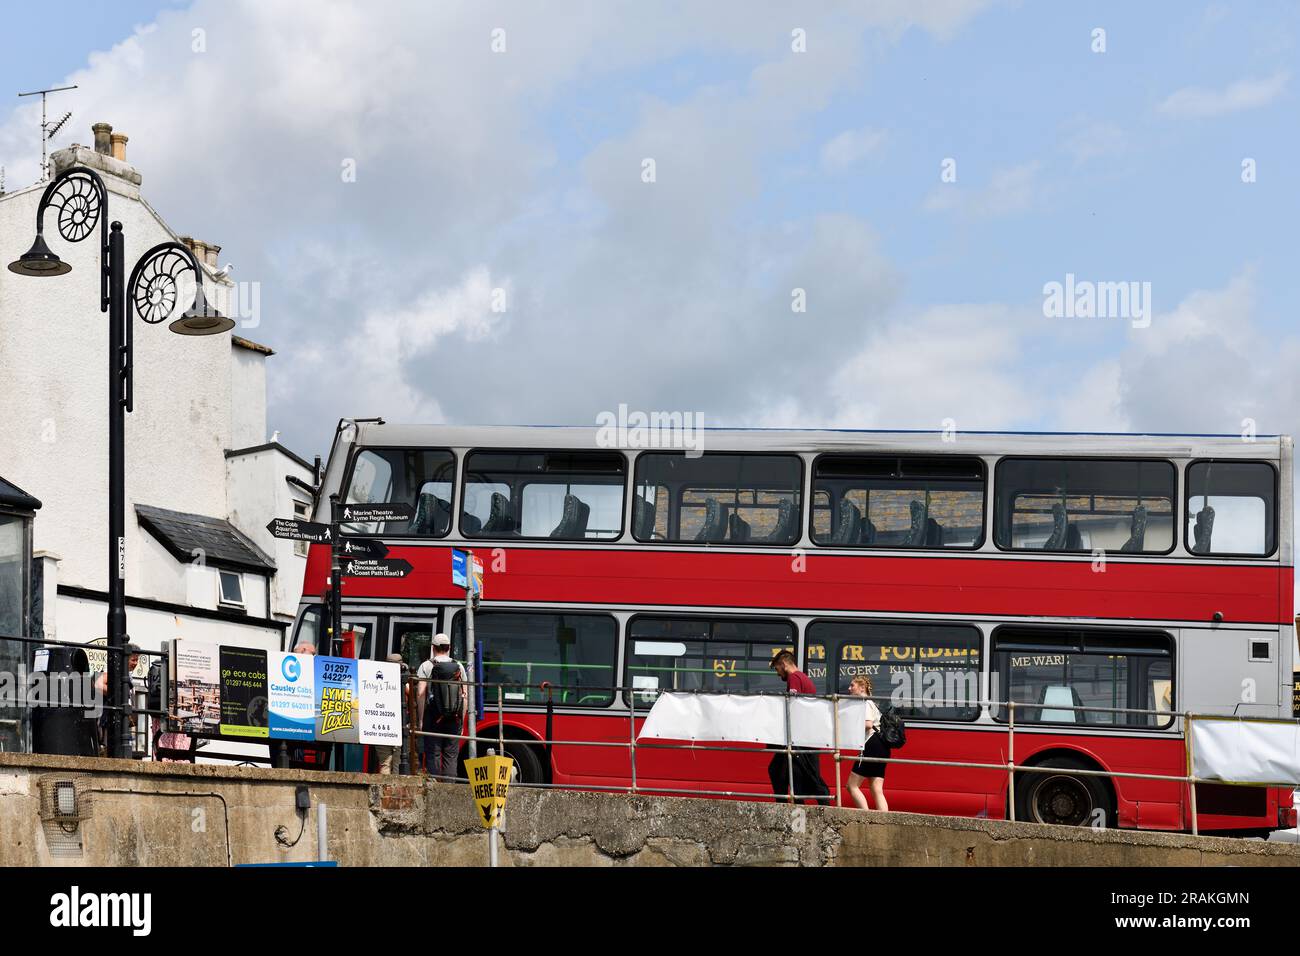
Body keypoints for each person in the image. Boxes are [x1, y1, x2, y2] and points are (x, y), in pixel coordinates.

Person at [767, 650, 832, 806]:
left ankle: (817, 806)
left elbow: (793, 705)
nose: (778, 674)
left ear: (783, 664)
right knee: (785, 772)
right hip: (804, 736)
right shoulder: (803, 678)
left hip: (800, 737)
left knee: (801, 774)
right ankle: (786, 805)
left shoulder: (794, 678)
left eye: (777, 669)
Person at [416, 633, 467, 783]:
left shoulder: (426, 665)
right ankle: (449, 789)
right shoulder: (459, 666)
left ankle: (435, 787)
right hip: (454, 718)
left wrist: (420, 719)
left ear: (433, 648)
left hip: (433, 717)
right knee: (451, 755)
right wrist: (461, 719)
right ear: (449, 648)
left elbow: (420, 693)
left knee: (433, 753)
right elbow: (465, 695)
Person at [846, 675, 889, 812]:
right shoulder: (873, 703)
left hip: (871, 744)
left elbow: (868, 724)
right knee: (876, 789)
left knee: (851, 786)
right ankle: (885, 821)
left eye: (852, 685)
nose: (849, 688)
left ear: (862, 687)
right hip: (882, 746)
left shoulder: (865, 702)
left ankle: (865, 816)